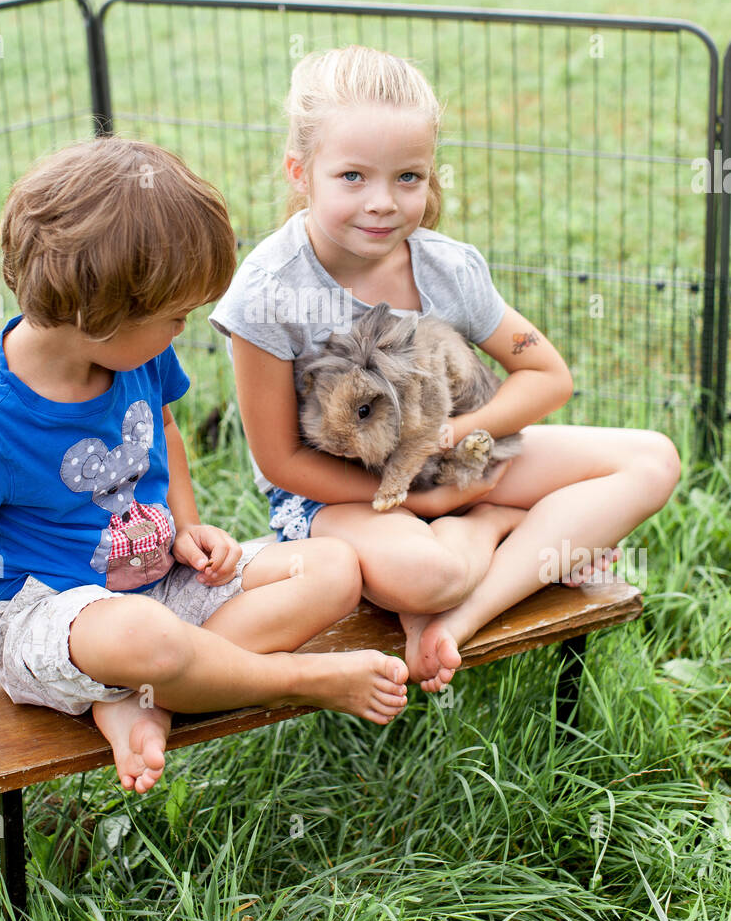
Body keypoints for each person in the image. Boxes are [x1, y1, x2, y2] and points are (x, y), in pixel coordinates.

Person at [0, 136, 409, 807]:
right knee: (142, 636)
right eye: (175, 317)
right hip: (51, 617)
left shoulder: (131, 355)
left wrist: (188, 527)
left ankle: (149, 695)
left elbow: (163, 428)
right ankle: (297, 678)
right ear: (97, 316)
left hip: (160, 580)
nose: (181, 330)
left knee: (333, 568)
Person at [209, 44, 682, 693]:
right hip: (338, 490)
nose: (383, 203)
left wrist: (463, 437)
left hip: (452, 454)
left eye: (408, 177)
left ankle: (460, 616)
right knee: (424, 574)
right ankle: (498, 529)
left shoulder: (448, 268)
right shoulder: (267, 290)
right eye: (353, 177)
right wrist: (424, 499)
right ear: (300, 171)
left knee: (652, 460)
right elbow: (282, 463)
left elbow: (546, 376)